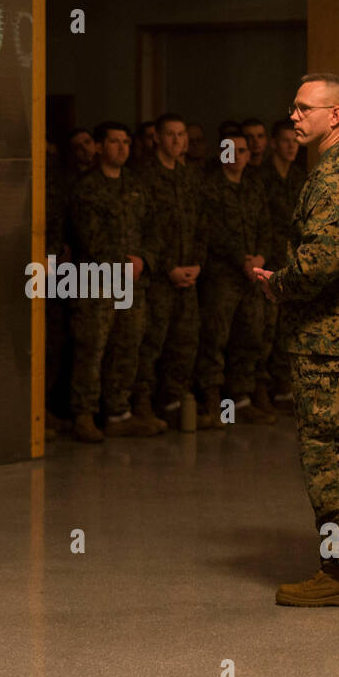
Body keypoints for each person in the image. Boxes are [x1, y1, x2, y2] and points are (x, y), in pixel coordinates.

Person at [256, 73, 339, 607]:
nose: (294, 117)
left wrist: (277, 285)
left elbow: (319, 265)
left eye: (305, 109)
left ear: (335, 115)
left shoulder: (337, 177)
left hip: (326, 336)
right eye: (292, 108)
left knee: (329, 451)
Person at [68, 121, 160, 442]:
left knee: (128, 345)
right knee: (92, 347)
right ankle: (83, 414)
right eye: (114, 142)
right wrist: (122, 263)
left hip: (133, 281)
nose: (121, 148)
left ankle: (119, 412)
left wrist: (144, 260)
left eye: (126, 142)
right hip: (97, 281)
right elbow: (89, 237)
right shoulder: (87, 188)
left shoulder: (135, 185)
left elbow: (152, 229)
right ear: (98, 147)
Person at [193, 132, 273, 427]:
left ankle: (241, 399)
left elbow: (266, 225)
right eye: (230, 150)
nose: (236, 156)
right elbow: (211, 230)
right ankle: (213, 402)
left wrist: (260, 258)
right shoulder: (210, 187)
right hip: (222, 275)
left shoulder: (254, 187)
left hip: (251, 275)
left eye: (242, 151)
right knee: (216, 337)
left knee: (250, 335)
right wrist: (241, 258)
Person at [132, 113, 203, 429]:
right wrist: (167, 268)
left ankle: (173, 401)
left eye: (182, 135)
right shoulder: (144, 176)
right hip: (159, 278)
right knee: (151, 343)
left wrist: (197, 264)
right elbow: (143, 229)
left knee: (184, 341)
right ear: (157, 139)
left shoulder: (189, 177)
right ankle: (143, 403)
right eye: (171, 135)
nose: (177, 141)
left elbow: (202, 225)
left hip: (188, 273)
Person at [255, 121, 307, 411]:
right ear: (274, 143)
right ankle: (260, 387)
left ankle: (283, 386)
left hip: (292, 263)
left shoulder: (300, 178)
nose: (291, 146)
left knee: (287, 329)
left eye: (295, 141)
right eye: (285, 140)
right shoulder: (261, 178)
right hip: (268, 260)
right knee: (263, 330)